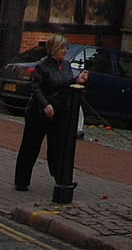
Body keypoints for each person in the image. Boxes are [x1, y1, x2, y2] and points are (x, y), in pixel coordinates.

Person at [13, 35, 88, 191]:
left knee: (58, 147)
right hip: (39, 114)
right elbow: (35, 87)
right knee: (30, 146)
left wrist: (77, 80)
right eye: (62, 48)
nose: (65, 51)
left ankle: (61, 180)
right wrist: (45, 104)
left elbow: (66, 83)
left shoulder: (66, 65)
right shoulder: (43, 66)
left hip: (59, 113)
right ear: (53, 49)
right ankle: (21, 181)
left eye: (66, 48)